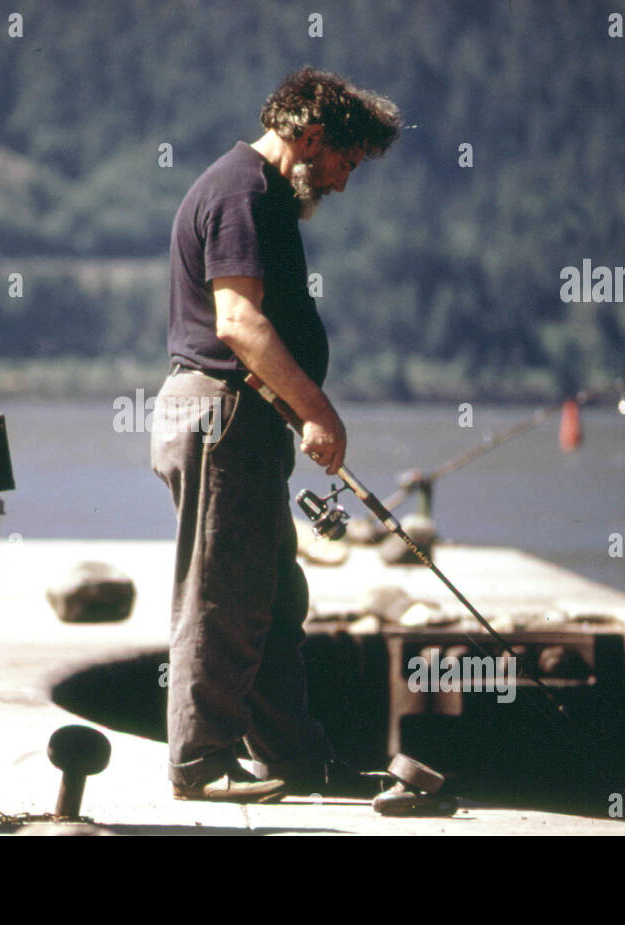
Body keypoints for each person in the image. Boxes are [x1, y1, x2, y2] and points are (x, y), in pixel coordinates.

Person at [151, 67, 402, 802]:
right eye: (344, 163)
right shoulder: (245, 191)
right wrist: (317, 410)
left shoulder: (255, 193)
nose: (343, 184)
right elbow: (237, 323)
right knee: (222, 593)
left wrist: (293, 412)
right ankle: (200, 764)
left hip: (242, 420)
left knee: (270, 596)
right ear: (312, 135)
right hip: (220, 416)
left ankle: (297, 755)